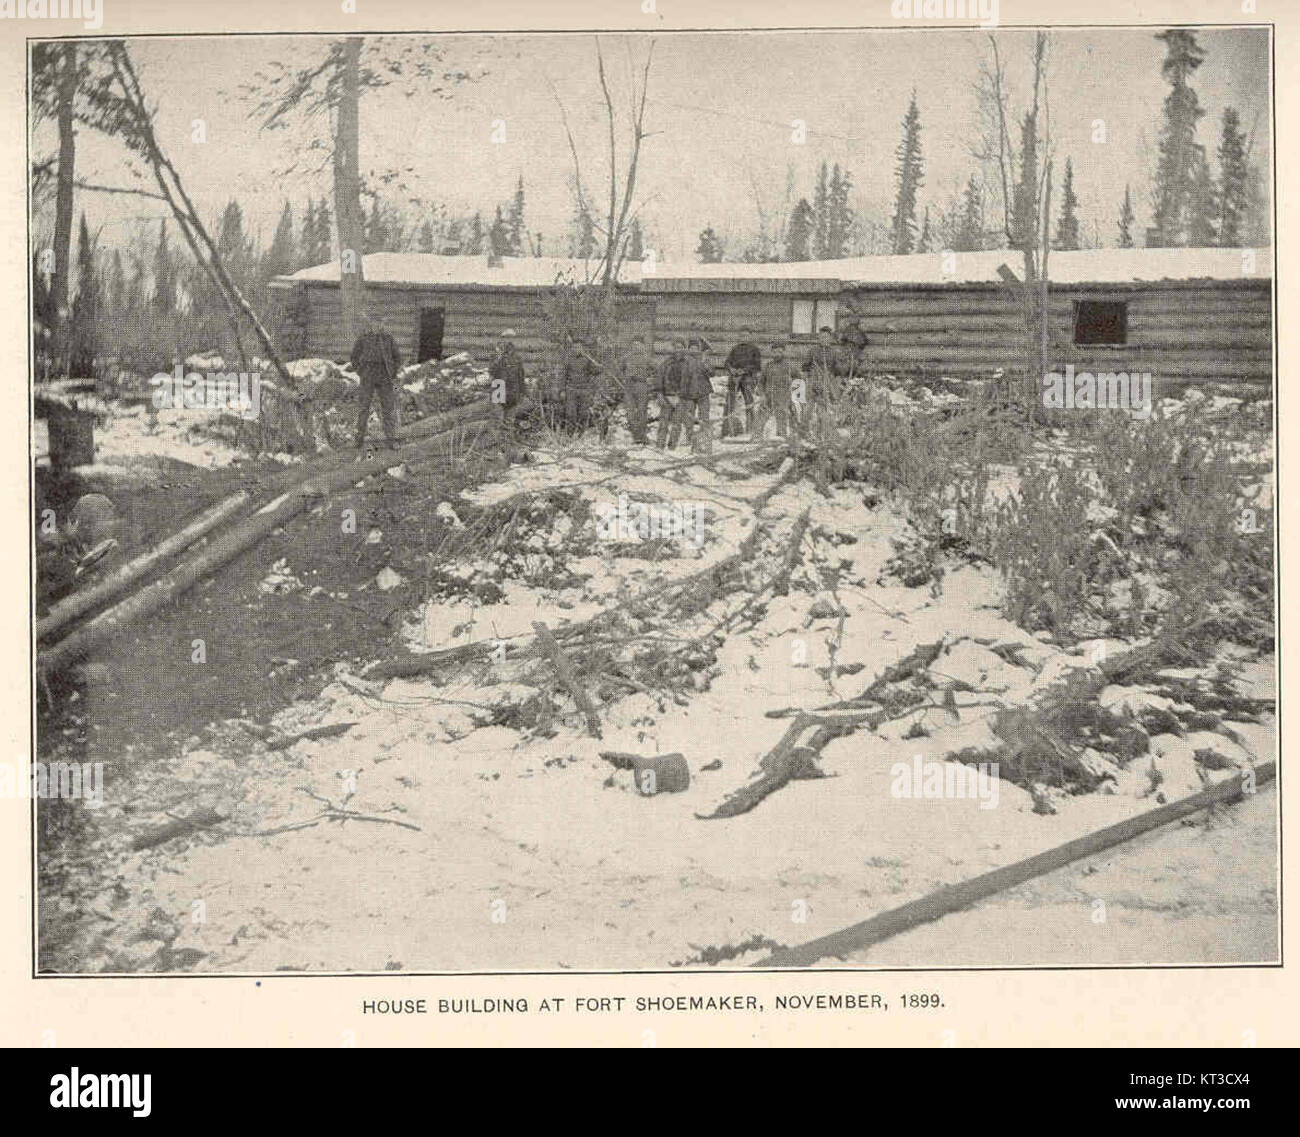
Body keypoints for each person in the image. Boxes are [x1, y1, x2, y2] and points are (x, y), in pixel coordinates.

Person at [350, 313, 402, 449]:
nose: (377, 326)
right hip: (368, 375)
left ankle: (391, 440)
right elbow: (354, 357)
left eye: (379, 323)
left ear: (383, 325)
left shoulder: (388, 339)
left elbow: (397, 357)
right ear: (370, 324)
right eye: (374, 323)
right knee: (363, 408)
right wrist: (360, 371)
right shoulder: (363, 338)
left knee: (388, 408)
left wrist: (393, 372)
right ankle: (358, 439)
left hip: (384, 375)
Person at [755, 339, 799, 441]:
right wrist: (762, 395)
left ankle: (781, 438)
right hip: (768, 396)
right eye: (775, 352)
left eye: (779, 352)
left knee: (781, 416)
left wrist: (794, 395)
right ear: (772, 353)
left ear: (783, 352)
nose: (777, 354)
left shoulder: (789, 367)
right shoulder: (768, 366)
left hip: (783, 398)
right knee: (761, 415)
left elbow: (799, 380)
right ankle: (756, 436)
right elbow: (761, 382)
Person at [723, 330, 762, 437]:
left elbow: (757, 366)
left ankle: (751, 428)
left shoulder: (754, 350)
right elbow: (727, 362)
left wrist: (744, 371)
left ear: (750, 337)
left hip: (747, 379)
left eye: (746, 335)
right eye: (741, 335)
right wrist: (731, 369)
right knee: (730, 403)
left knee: (749, 403)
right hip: (734, 379)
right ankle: (727, 429)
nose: (743, 337)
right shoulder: (735, 349)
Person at [489, 327, 526, 440]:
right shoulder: (496, 355)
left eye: (511, 338)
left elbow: (521, 376)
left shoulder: (517, 358)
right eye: (506, 338)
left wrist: (522, 392)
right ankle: (495, 444)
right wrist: (499, 357)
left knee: (509, 421)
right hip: (498, 387)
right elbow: (491, 371)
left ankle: (507, 444)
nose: (509, 341)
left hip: (513, 390)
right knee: (497, 420)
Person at [682, 336, 715, 455]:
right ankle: (689, 437)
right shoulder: (685, 360)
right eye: (692, 348)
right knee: (689, 416)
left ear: (699, 349)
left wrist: (705, 364)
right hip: (689, 392)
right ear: (688, 349)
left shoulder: (704, 359)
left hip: (703, 391)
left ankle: (704, 437)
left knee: (704, 415)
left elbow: (712, 373)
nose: (694, 350)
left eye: (696, 348)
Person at [655, 337, 689, 449]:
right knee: (663, 423)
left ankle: (672, 446)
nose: (678, 350)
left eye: (681, 347)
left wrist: (684, 396)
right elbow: (659, 378)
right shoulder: (666, 363)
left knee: (677, 424)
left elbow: (691, 381)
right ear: (673, 349)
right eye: (676, 347)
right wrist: (660, 394)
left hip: (681, 398)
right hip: (667, 397)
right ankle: (660, 445)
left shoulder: (688, 364)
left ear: (684, 349)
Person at [621, 333, 652, 445]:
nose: (635, 347)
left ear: (642, 346)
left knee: (641, 411)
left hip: (641, 386)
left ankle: (642, 436)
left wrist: (650, 381)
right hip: (629, 387)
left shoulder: (647, 358)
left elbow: (656, 371)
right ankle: (635, 435)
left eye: (638, 344)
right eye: (634, 345)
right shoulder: (626, 358)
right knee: (630, 412)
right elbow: (620, 370)